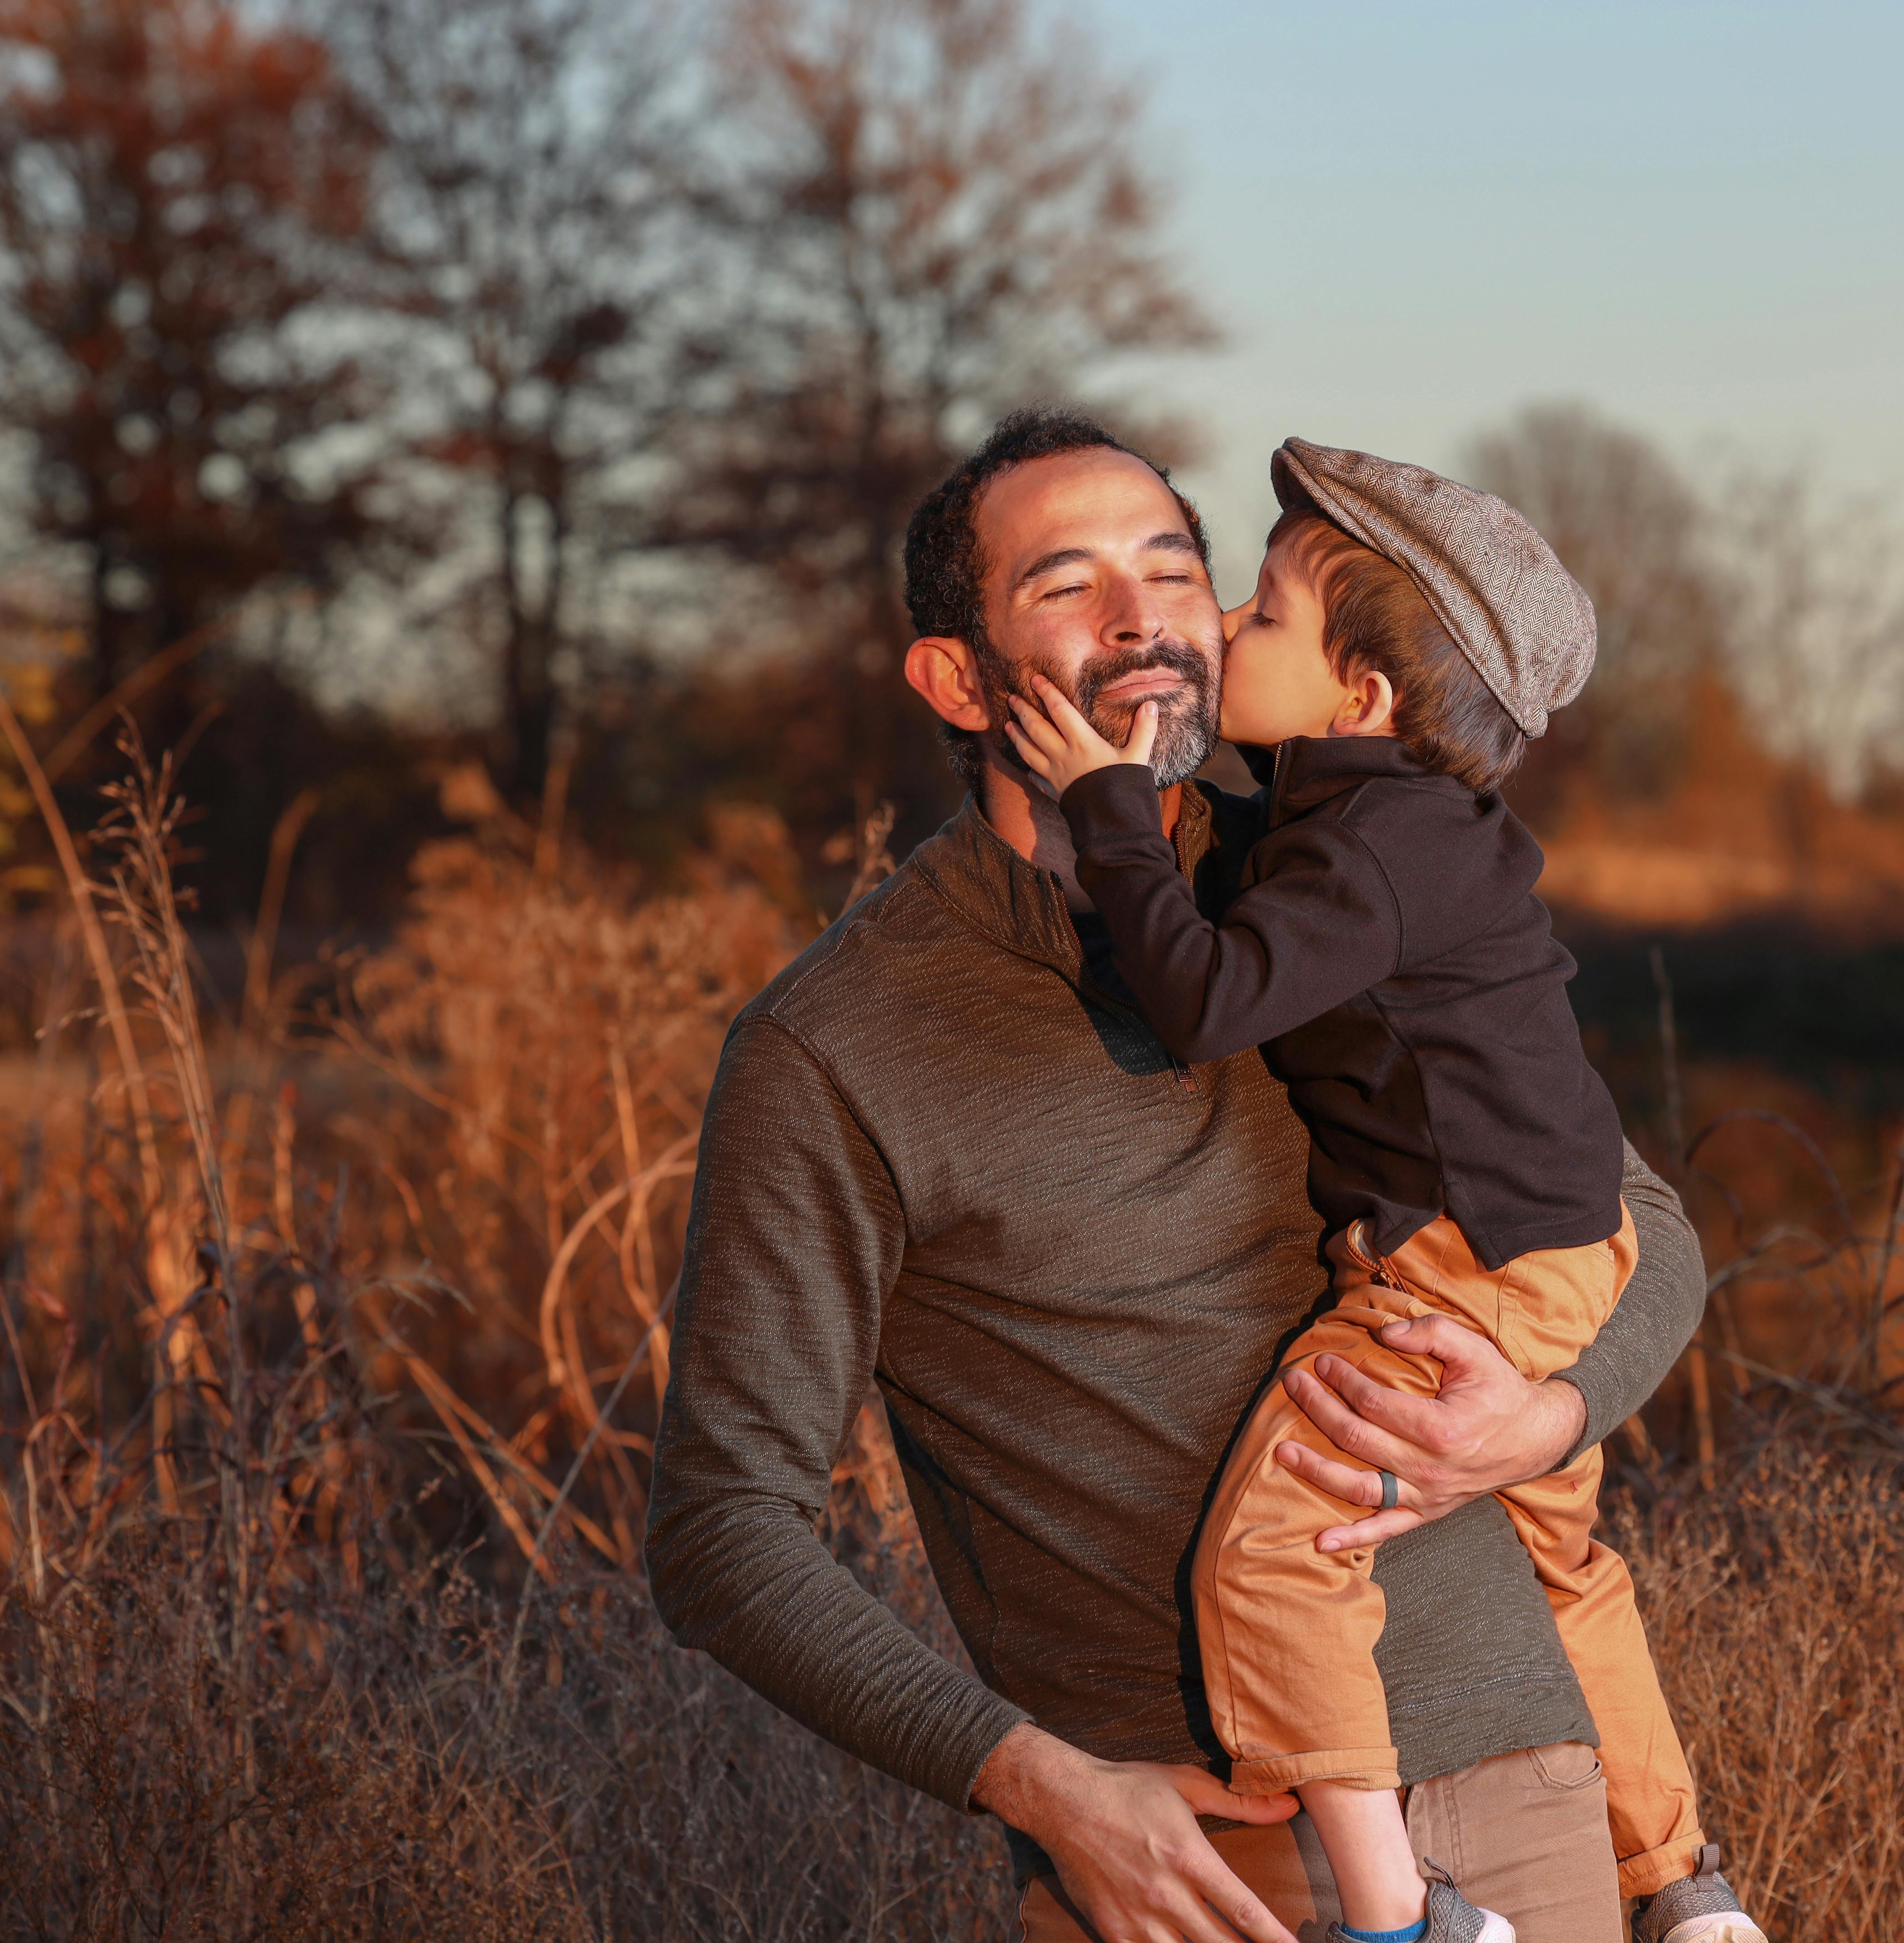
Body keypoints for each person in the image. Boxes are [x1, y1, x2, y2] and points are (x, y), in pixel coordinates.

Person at [646, 409, 1708, 1943]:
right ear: (958, 680)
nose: (1146, 615)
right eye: (1067, 584)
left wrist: (1547, 1417)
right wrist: (1040, 1787)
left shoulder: (1336, 874)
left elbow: (1638, 1221)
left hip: (1524, 1779)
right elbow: (720, 1529)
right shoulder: (839, 1044)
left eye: (1172, 563)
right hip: (1198, 1861)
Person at [1004, 440, 1761, 1943]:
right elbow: (1268, 897)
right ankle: (1683, 1889)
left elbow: (1209, 998)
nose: (1223, 626)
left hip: (1467, 1272)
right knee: (1562, 1564)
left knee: (1279, 1557)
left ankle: (1404, 1921)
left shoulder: (1374, 853)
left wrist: (1110, 806)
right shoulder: (1385, 818)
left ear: (1361, 695)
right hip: (1557, 1247)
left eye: (1263, 614)